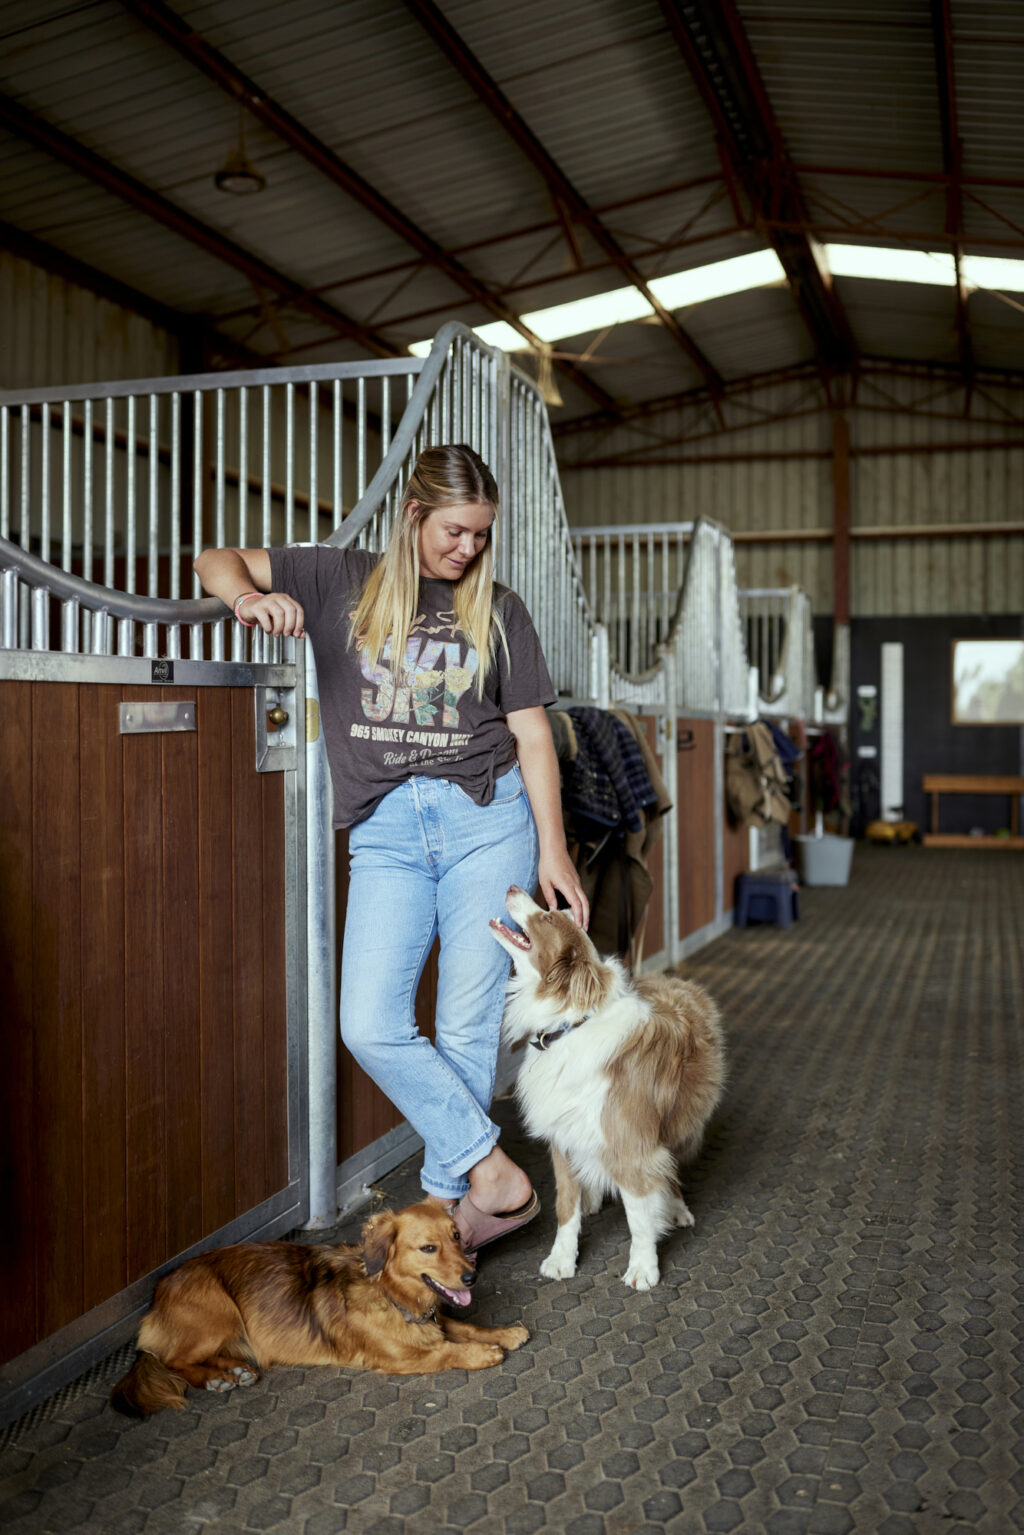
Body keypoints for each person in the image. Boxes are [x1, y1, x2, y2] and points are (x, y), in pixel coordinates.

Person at [195, 444, 588, 1252]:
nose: (468, 549)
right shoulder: (336, 577)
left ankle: (446, 1217)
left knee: (466, 1024)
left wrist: (555, 848)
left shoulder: (499, 608)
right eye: (455, 531)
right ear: (413, 515)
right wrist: (246, 600)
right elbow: (215, 556)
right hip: (387, 831)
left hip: (489, 818)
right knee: (369, 1020)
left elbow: (533, 734)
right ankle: (493, 1169)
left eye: (481, 535)